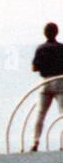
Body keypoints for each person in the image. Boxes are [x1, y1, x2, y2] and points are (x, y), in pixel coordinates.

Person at [30, 22, 63, 151]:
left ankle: (35, 142)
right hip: (60, 81)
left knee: (40, 113)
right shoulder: (61, 48)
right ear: (56, 33)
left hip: (45, 82)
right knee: (62, 113)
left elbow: (34, 68)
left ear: (45, 33)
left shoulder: (41, 48)